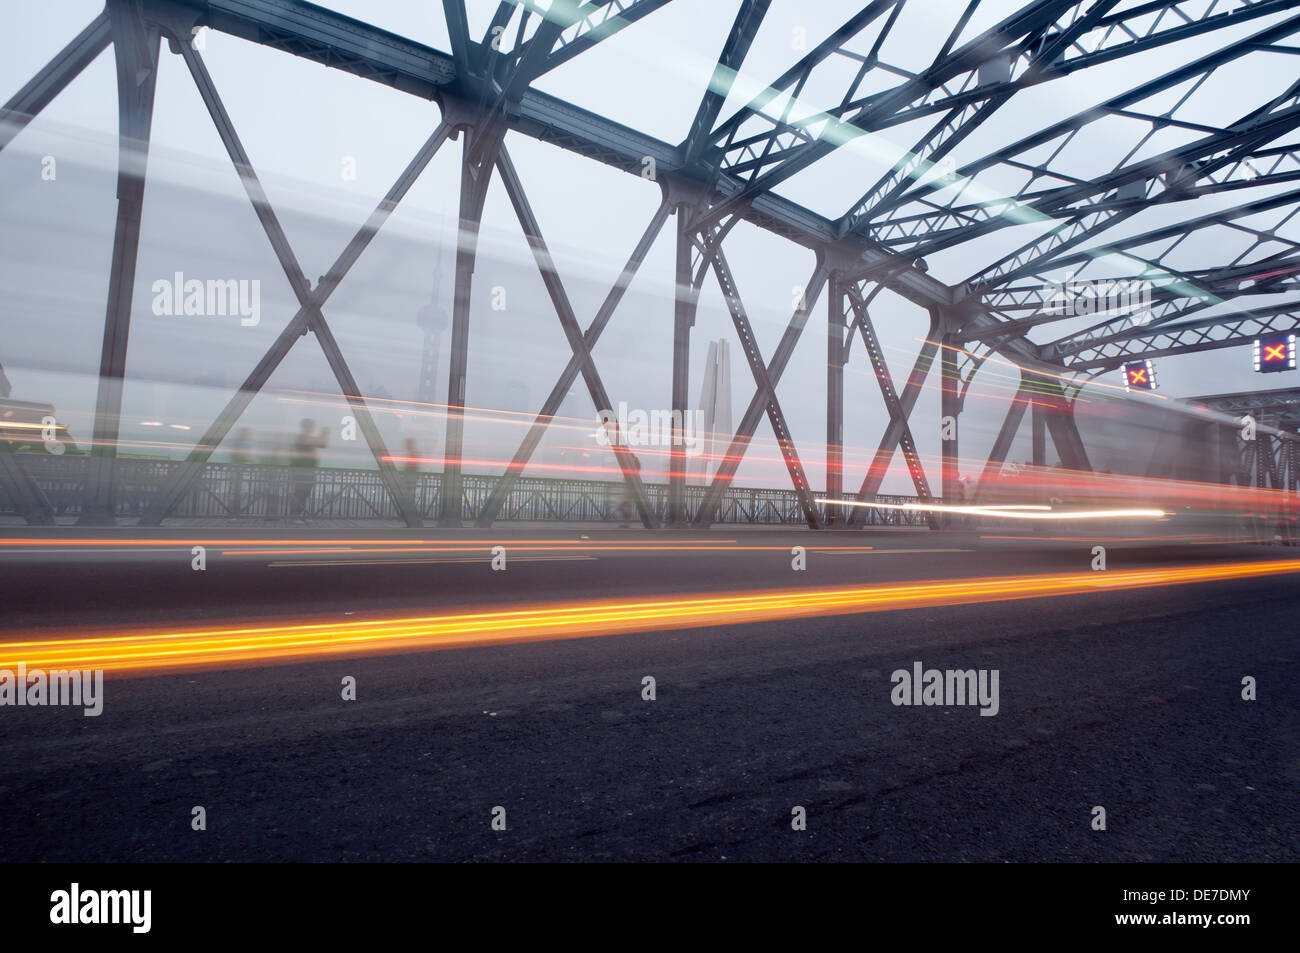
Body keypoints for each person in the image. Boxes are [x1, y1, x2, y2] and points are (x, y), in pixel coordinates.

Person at [289, 418, 329, 522]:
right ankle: (294, 516)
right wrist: (324, 433)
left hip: (309, 471)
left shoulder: (306, 437)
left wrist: (323, 435)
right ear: (306, 427)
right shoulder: (301, 437)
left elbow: (322, 444)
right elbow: (321, 443)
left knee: (304, 494)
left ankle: (301, 515)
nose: (312, 428)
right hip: (302, 471)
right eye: (311, 426)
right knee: (300, 493)